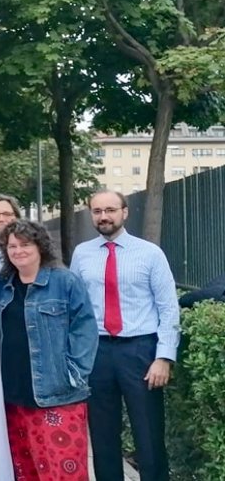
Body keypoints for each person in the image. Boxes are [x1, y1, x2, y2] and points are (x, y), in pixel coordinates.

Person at [70, 191, 179, 481]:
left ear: (125, 212)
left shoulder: (150, 253)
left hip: (140, 351)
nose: (103, 216)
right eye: (97, 211)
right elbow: (76, 307)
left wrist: (164, 357)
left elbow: (168, 307)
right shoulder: (82, 254)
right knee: (103, 435)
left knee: (149, 434)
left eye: (110, 210)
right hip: (98, 353)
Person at [0, 221, 98, 481]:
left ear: (40, 246)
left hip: (57, 394)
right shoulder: (2, 286)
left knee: (63, 470)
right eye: (12, 246)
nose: (18, 251)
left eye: (25, 244)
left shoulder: (64, 281)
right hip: (13, 396)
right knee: (24, 469)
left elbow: (85, 327)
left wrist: (74, 372)